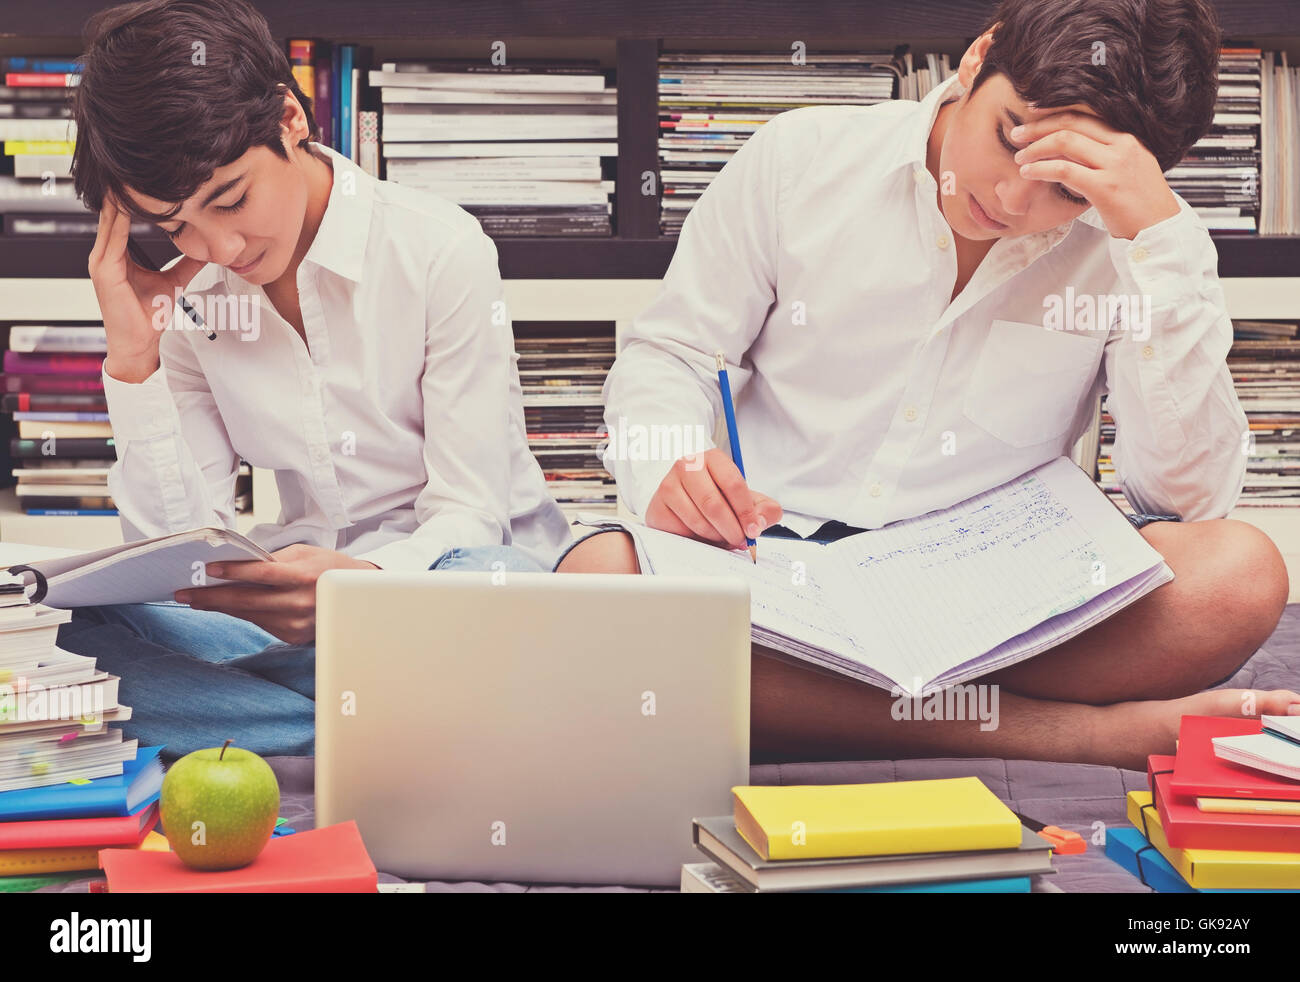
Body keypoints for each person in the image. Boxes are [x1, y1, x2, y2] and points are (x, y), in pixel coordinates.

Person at [558, 0, 1297, 770]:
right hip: (774, 566)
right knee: (593, 582)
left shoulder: (1129, 244)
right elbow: (671, 351)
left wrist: (1161, 245)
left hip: (992, 594)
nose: (1014, 200)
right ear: (977, 59)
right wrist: (673, 467)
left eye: (1066, 188)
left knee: (1240, 578)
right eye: (1011, 139)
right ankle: (1077, 734)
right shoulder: (800, 160)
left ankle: (790, 707)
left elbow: (1181, 502)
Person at [60, 0, 574, 758]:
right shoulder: (188, 300)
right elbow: (176, 558)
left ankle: (268, 724)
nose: (220, 244)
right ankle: (389, 726)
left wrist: (356, 584)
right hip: (293, 622)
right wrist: (134, 362)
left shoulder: (440, 250)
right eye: (175, 225)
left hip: (439, 590)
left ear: (290, 118)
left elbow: (471, 513)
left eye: (231, 198)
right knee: (70, 636)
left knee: (496, 576)